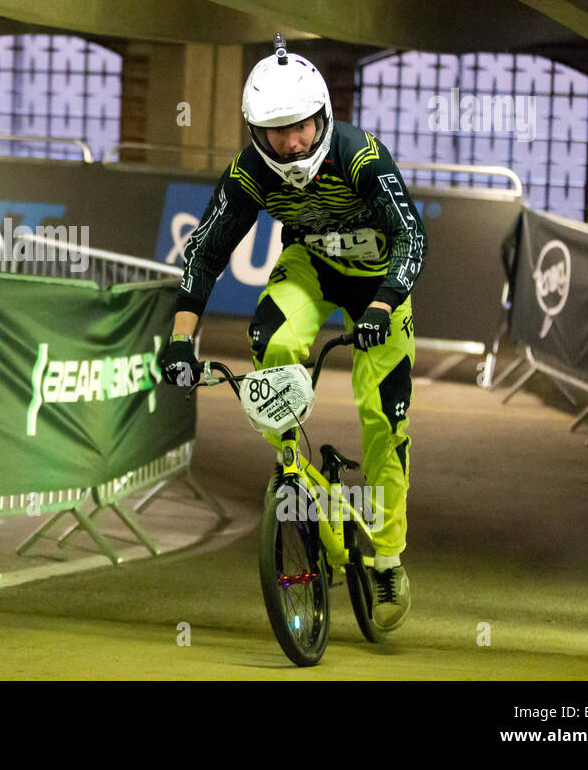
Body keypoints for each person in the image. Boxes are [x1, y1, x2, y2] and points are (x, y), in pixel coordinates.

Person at [159, 37, 427, 631]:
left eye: (302, 126)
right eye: (276, 132)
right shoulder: (250, 172)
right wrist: (181, 340)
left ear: (322, 116)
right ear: (256, 132)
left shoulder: (361, 156)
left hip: (380, 285)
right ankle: (292, 472)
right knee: (272, 344)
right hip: (309, 267)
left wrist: (383, 305)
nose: (292, 143)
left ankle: (386, 557)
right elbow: (205, 255)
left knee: (383, 417)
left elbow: (415, 240)